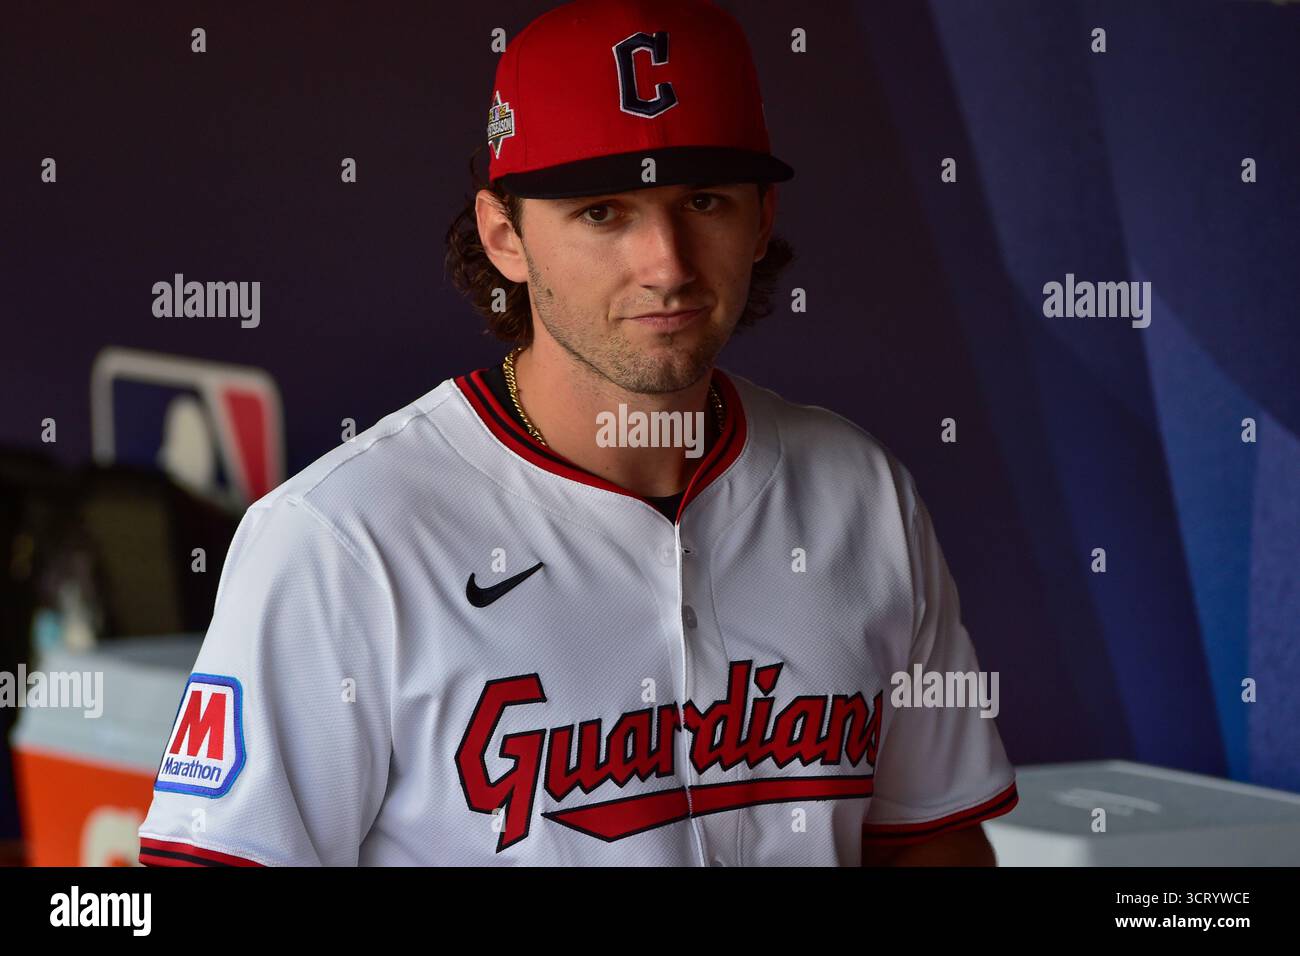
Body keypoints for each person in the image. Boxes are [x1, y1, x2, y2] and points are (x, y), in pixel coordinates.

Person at [138, 0, 1016, 867]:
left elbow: (930, 840)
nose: (666, 263)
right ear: (504, 236)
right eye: (603, 211)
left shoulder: (861, 492)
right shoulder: (339, 540)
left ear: (761, 221)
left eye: (703, 200)